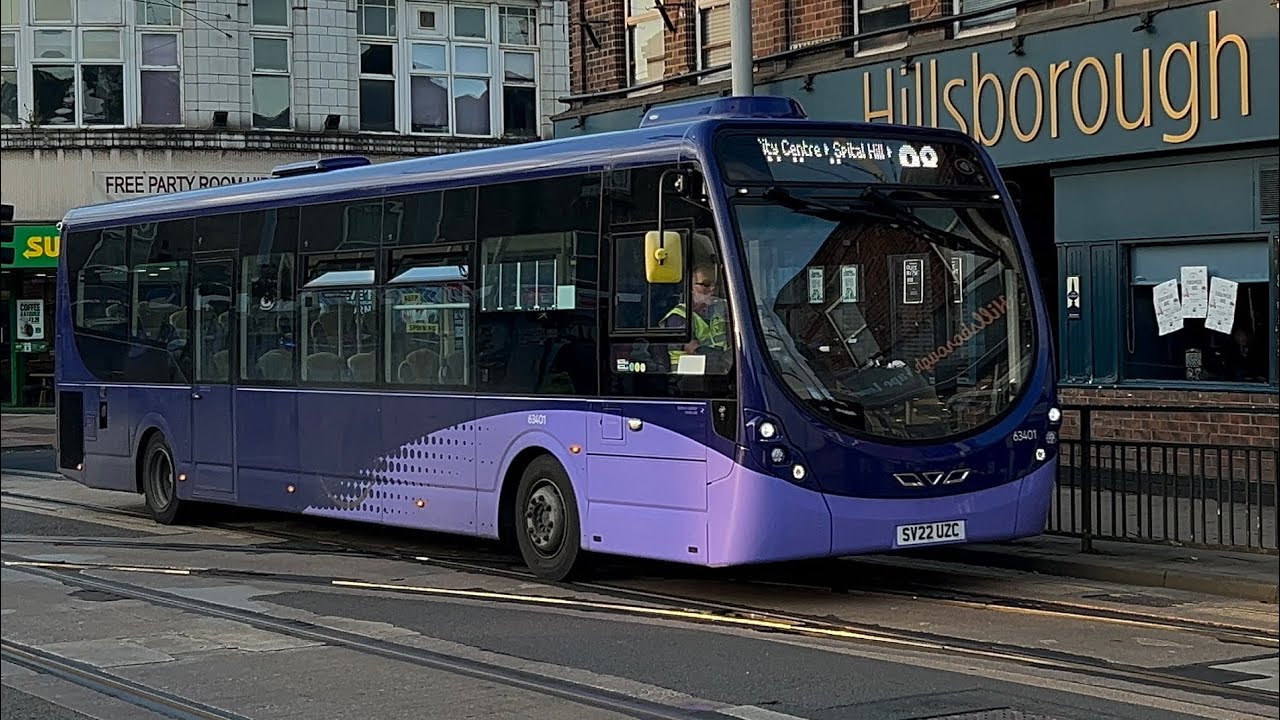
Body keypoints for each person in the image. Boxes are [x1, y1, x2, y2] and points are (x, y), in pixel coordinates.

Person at [660, 261, 730, 370]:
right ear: (691, 287)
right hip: (687, 380)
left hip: (718, 374)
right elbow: (693, 349)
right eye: (706, 284)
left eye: (715, 285)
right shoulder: (678, 316)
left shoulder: (720, 309)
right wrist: (726, 359)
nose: (712, 289)